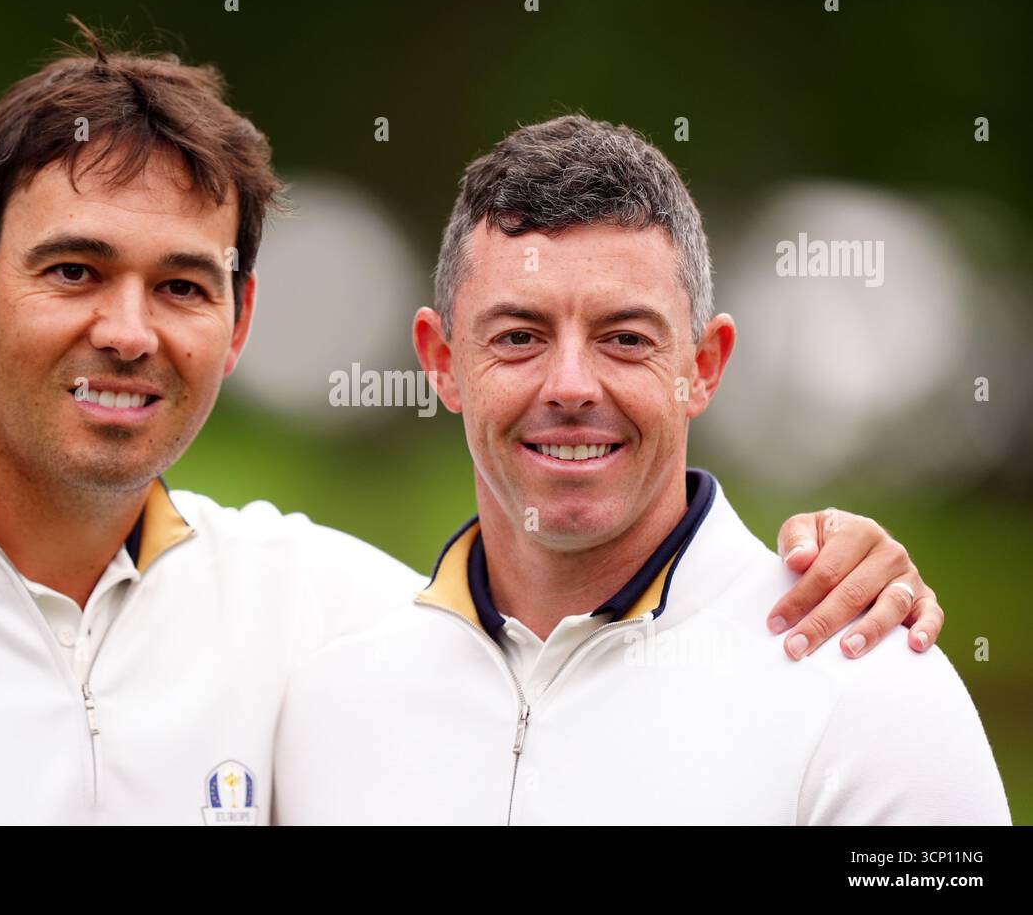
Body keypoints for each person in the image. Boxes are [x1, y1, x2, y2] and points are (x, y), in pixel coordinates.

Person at [0, 27, 945, 825]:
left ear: (240, 317)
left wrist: (845, 560)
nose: (127, 329)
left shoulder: (328, 615)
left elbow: (558, 612)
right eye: (73, 270)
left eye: (182, 286)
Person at [272, 116, 1009, 825]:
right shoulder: (326, 705)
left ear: (703, 367)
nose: (570, 385)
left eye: (625, 338)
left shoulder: (866, 690)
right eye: (519, 336)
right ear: (442, 364)